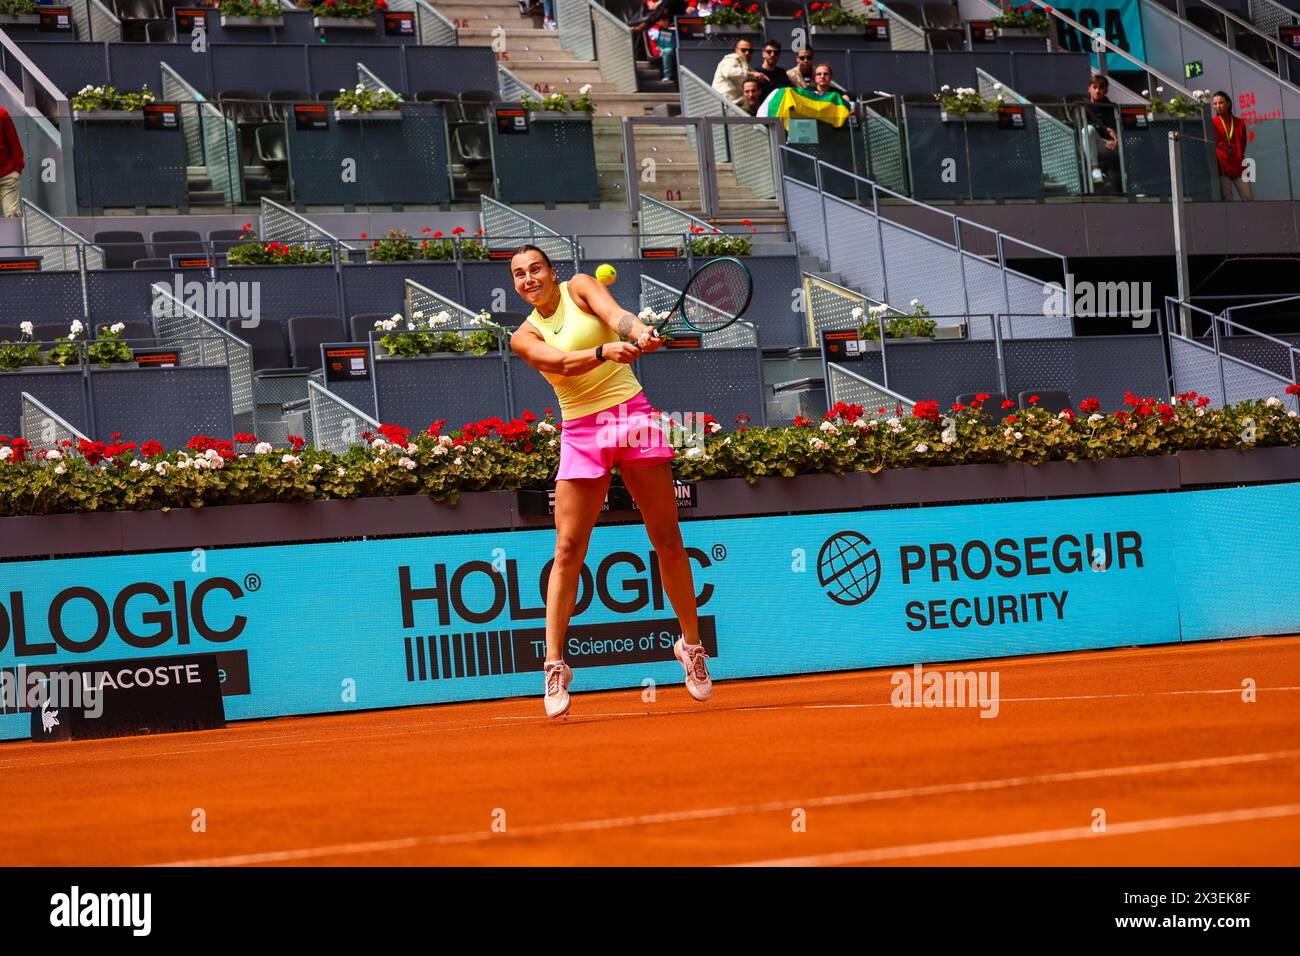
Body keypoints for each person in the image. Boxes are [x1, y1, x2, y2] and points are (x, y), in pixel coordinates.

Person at [508, 245, 714, 718]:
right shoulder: (523, 336)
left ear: (551, 271)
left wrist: (639, 332)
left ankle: (691, 646)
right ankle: (555, 663)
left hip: (632, 417)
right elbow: (559, 365)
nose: (528, 278)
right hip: (581, 431)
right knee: (568, 549)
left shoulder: (579, 286)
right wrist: (605, 351)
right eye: (519, 274)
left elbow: (618, 315)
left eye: (535, 268)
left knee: (667, 537)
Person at [1081, 74, 1120, 194]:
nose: (1098, 91)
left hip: (1113, 144)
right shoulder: (1082, 106)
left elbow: (1120, 126)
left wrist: (1116, 140)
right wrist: (1105, 129)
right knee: (1087, 130)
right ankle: (1095, 170)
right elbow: (1078, 127)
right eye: (1095, 87)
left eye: (1101, 88)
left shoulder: (1112, 107)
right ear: (1089, 89)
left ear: (1106, 91)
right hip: (1094, 143)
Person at [1211, 91, 1253, 202]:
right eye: (1215, 104)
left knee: (1248, 198)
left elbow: (1243, 143)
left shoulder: (1239, 122)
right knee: (1227, 201)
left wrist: (1238, 155)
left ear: (1228, 103)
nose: (1218, 106)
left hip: (1239, 165)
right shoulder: (1212, 122)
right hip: (1222, 167)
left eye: (1221, 102)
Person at [712, 37, 764, 107]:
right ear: (736, 50)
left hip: (735, 104)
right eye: (743, 50)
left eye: (750, 51)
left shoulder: (745, 65)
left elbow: (754, 75)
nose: (747, 53)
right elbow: (728, 72)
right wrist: (751, 74)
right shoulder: (730, 59)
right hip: (723, 103)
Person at [0, 106, 24, 219]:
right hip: (8, 172)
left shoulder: (2, 114)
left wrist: (17, 169)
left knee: (12, 216)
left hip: (7, 176)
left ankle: (16, 237)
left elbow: (14, 142)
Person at [648, 9, 677, 82]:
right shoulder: (652, 30)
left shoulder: (667, 28)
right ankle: (667, 75)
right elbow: (662, 40)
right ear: (659, 21)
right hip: (659, 50)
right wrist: (673, 31)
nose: (667, 22)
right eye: (665, 20)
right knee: (667, 51)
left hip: (672, 47)